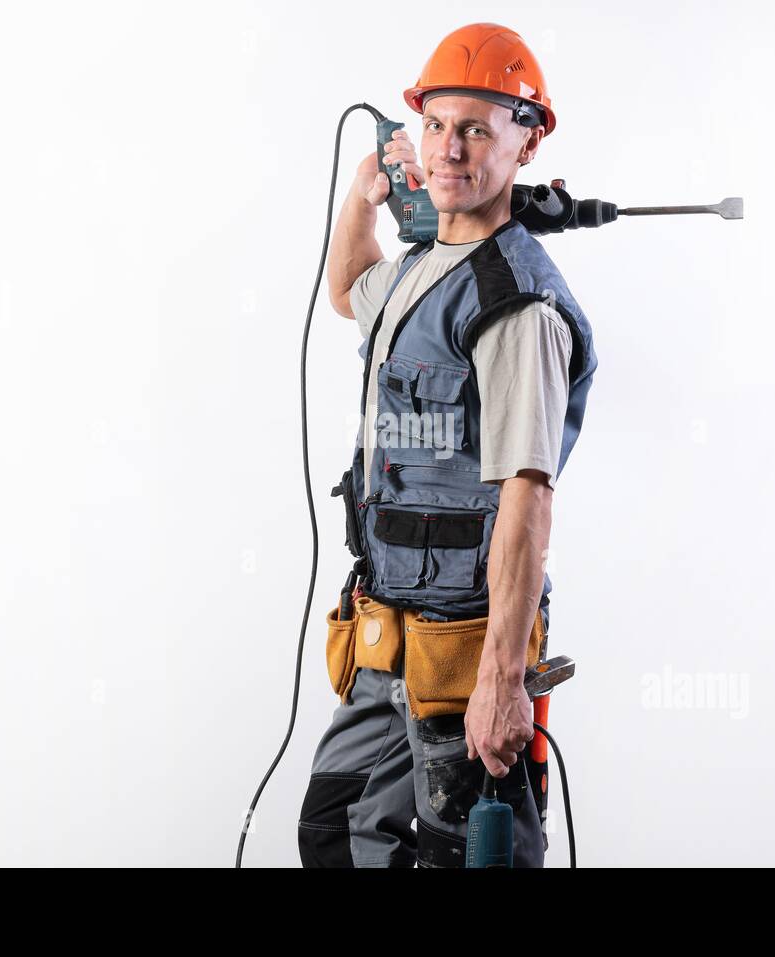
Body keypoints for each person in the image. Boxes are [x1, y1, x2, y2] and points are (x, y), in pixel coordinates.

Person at [297, 23, 598, 868]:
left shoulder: (516, 306)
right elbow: (348, 290)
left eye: (474, 129)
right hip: (386, 636)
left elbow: (528, 498)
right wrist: (365, 197)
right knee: (336, 832)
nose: (447, 148)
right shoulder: (422, 264)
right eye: (434, 125)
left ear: (526, 142)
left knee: (463, 855)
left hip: (466, 650)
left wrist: (503, 677)